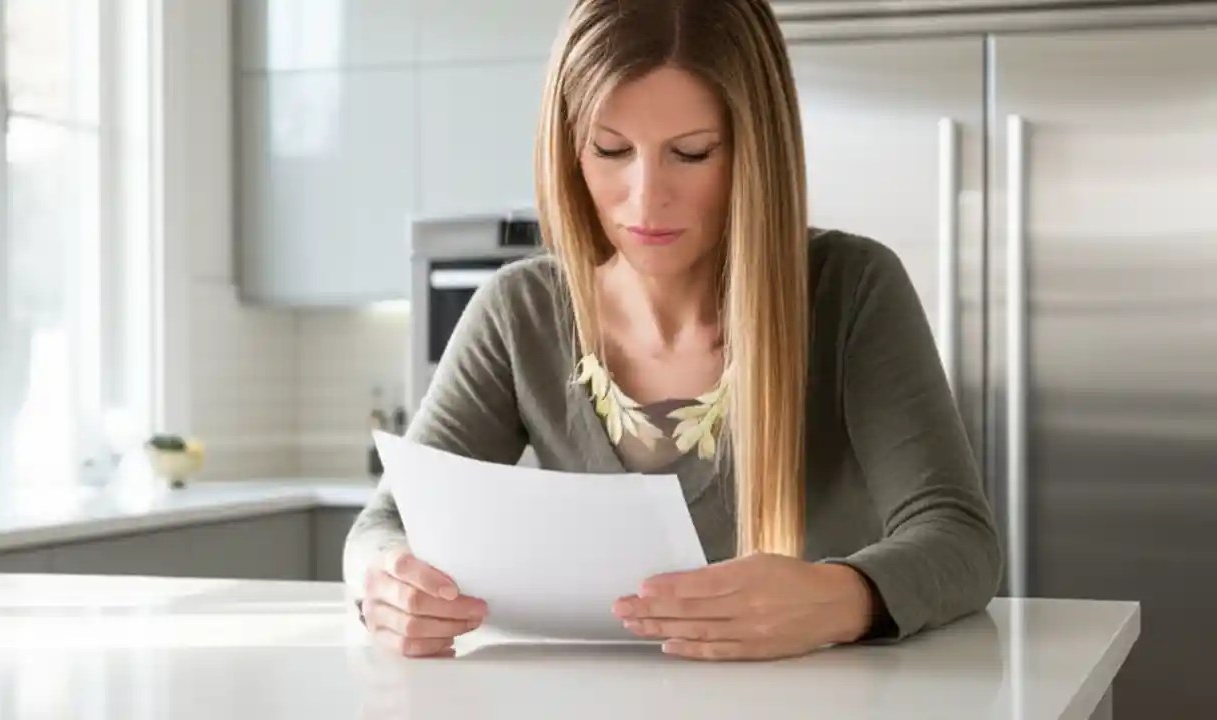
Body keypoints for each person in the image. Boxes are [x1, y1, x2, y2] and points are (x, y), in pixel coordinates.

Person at [343, 0, 1002, 661]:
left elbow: (960, 540)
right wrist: (387, 582)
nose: (645, 197)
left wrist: (840, 597)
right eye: (610, 150)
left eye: (691, 153)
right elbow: (384, 525)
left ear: (755, 149)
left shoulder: (851, 289)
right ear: (569, 149)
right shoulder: (518, 313)